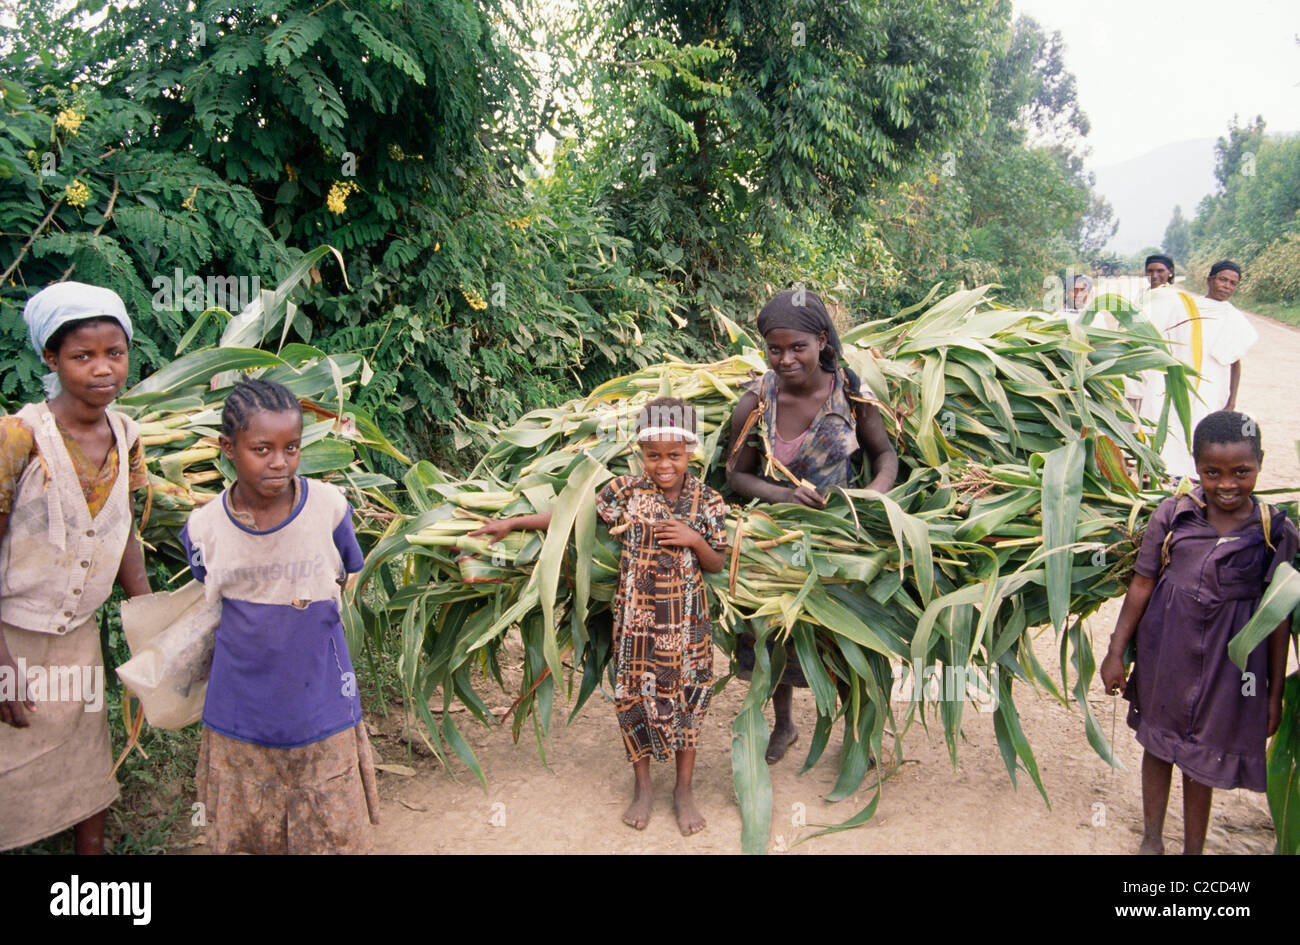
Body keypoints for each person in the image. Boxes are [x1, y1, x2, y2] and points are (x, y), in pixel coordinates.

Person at [471, 398, 728, 835]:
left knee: (689, 699)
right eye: (653, 455)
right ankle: (643, 787)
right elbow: (571, 518)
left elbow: (717, 562)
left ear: (691, 451)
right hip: (637, 624)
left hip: (687, 626)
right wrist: (514, 524)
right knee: (632, 699)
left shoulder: (708, 500)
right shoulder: (625, 491)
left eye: (674, 454)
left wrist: (692, 540)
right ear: (639, 453)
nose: (663, 464)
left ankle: (683, 791)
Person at [180, 378, 379, 854]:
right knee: (246, 830)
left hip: (321, 704)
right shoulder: (204, 526)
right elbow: (207, 584)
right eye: (262, 449)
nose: (279, 462)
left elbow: (349, 571)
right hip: (240, 709)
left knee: (329, 827)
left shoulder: (329, 510)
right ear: (228, 448)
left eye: (292, 448)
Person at [1100, 411, 1297, 855]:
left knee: (1201, 758)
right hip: (1167, 652)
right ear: (1197, 467)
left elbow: (1279, 616)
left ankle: (1193, 849)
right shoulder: (1173, 515)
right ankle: (1152, 839)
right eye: (1212, 472)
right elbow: (1142, 584)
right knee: (1158, 743)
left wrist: (1272, 692)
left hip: (1229, 670)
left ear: (1260, 465)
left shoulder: (1274, 530)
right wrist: (1116, 652)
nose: (1227, 484)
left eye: (1241, 472)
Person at [0, 282, 151, 854]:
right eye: (81, 357)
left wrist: (147, 622)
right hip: (15, 633)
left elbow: (124, 532)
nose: (102, 369)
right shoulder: (18, 438)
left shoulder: (127, 434)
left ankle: (91, 867)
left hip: (78, 636)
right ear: (50, 358)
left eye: (114, 353)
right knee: (10, 751)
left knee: (84, 751)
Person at [726, 288, 898, 763]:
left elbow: (884, 454)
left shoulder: (849, 391)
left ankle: (857, 731)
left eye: (797, 347)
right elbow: (735, 474)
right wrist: (784, 494)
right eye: (774, 349)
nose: (785, 359)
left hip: (839, 535)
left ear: (822, 340)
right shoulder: (757, 402)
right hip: (774, 539)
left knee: (843, 637)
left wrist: (873, 497)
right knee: (775, 635)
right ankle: (784, 725)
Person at [1138, 260, 1257, 480]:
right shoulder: (1185, 307)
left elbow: (1235, 362)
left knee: (1203, 432)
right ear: (1209, 280)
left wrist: (1231, 401)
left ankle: (1194, 479)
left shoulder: (1235, 320)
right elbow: (1165, 341)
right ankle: (1167, 475)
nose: (1227, 286)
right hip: (1180, 382)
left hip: (1213, 387)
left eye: (1233, 283)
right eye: (1222, 279)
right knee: (1175, 426)